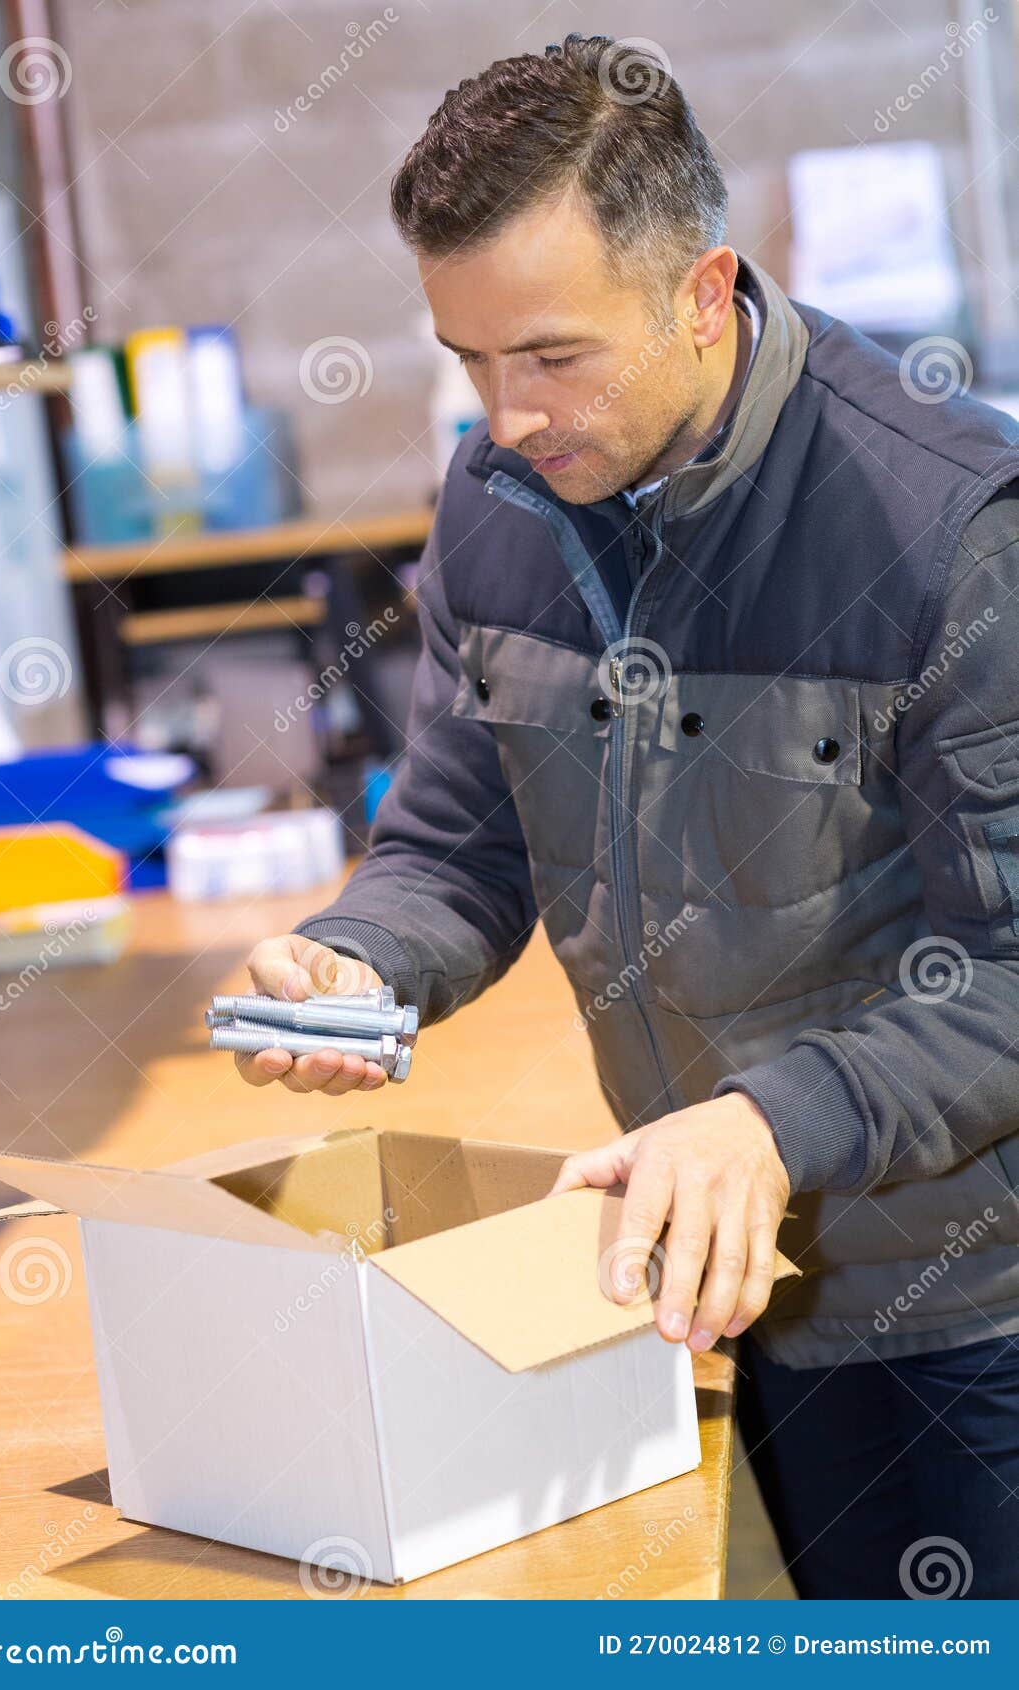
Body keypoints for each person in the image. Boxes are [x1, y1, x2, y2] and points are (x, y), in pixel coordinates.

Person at [239, 35, 1019, 1598]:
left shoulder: (945, 528)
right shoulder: (500, 507)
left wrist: (767, 1120)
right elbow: (457, 845)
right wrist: (354, 963)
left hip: (968, 1317)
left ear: (699, 289)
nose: (504, 415)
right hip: (711, 1286)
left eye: (548, 356)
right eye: (465, 361)